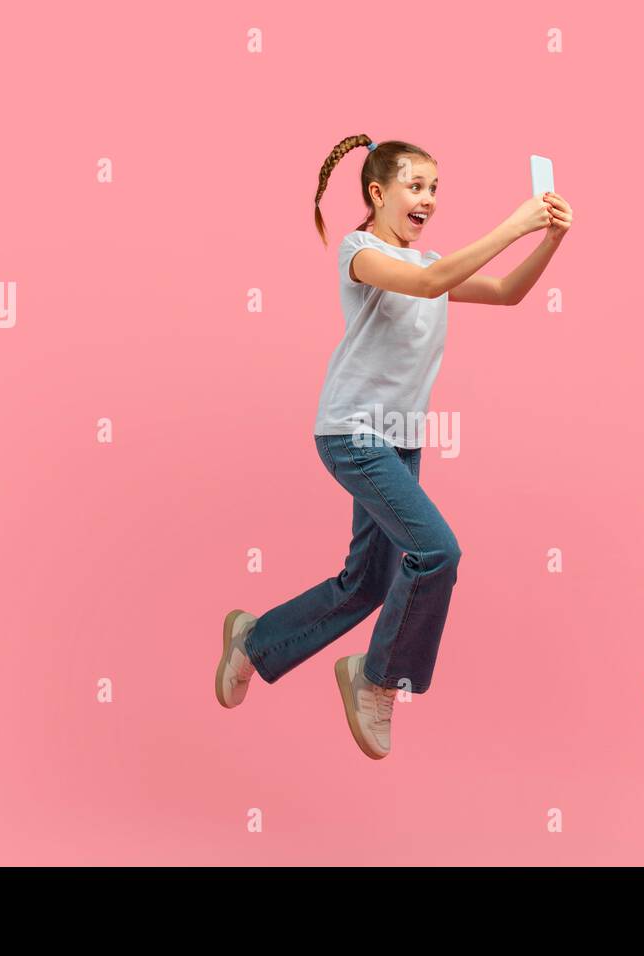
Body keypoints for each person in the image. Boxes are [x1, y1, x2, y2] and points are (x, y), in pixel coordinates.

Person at [216, 135, 573, 759]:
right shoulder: (362, 252)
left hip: (400, 444)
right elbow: (431, 281)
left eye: (434, 188)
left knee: (366, 584)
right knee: (437, 552)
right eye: (415, 186)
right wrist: (514, 222)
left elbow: (506, 293)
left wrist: (548, 239)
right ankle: (377, 679)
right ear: (378, 194)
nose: (427, 199)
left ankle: (255, 641)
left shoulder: (431, 262)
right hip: (352, 435)